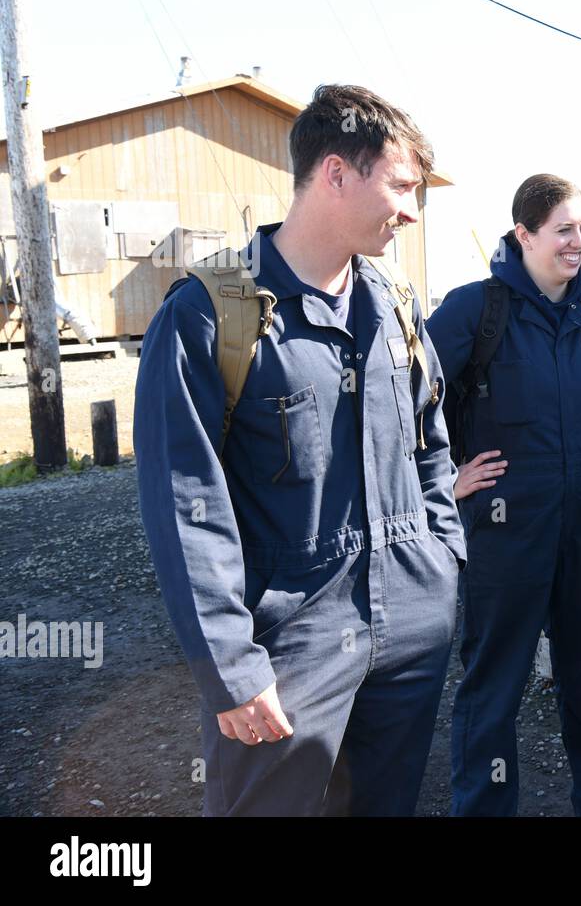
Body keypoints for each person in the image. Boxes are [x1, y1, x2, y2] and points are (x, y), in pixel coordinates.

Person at [135, 84, 463, 816]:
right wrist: (228, 660)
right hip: (286, 640)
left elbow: (432, 442)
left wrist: (443, 560)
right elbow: (186, 502)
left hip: (411, 626)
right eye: (402, 186)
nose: (412, 210)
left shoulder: (395, 306)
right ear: (337, 173)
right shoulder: (210, 313)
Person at [427, 173, 581, 816]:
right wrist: (447, 478)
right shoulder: (474, 310)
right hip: (506, 527)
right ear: (523, 234)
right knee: (494, 681)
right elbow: (405, 402)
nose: (579, 242)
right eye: (564, 229)